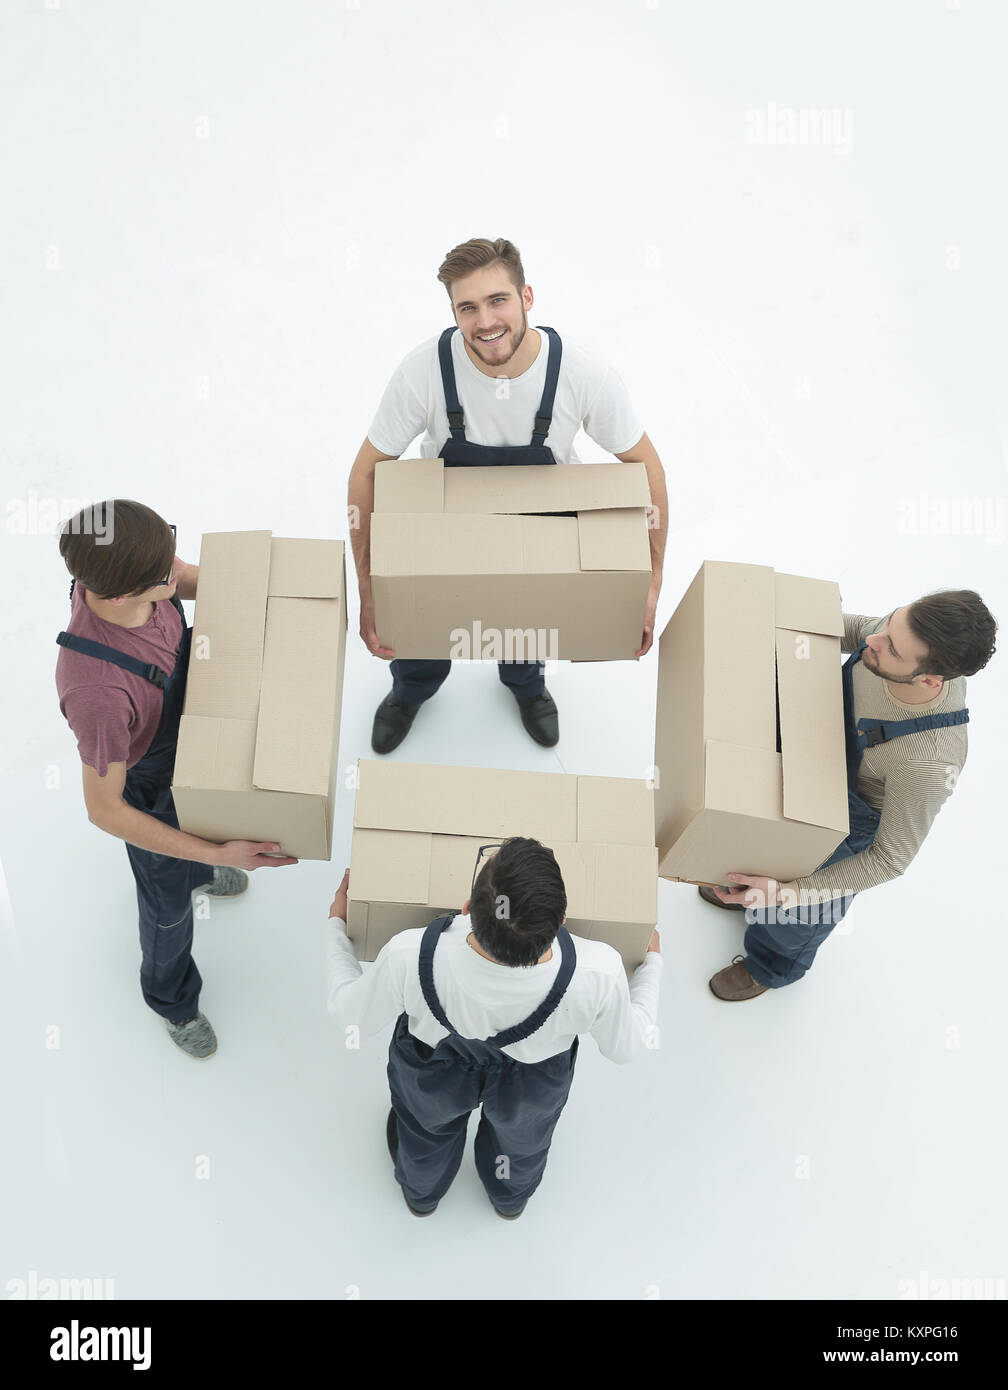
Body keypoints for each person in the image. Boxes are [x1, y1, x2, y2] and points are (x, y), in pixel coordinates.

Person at [346, 236, 669, 755]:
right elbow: (365, 474)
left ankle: (526, 685)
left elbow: (647, 469)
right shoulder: (422, 372)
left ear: (527, 297)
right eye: (467, 307)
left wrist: (650, 585)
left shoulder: (582, 373)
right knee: (421, 621)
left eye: (498, 300)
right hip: (446, 521)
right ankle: (411, 689)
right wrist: (369, 589)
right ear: (453, 312)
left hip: (542, 526)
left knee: (527, 626)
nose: (485, 321)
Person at [54, 500, 298, 1057]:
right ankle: (171, 999)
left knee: (204, 831)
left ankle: (199, 867)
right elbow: (105, 809)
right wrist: (218, 854)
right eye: (165, 573)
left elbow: (186, 578)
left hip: (192, 741)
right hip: (149, 788)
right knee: (166, 910)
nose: (180, 572)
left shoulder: (125, 561)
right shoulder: (97, 694)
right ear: (117, 596)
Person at [325, 838, 663, 1217]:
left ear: (468, 909)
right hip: (533, 1082)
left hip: (433, 1069)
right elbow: (626, 1047)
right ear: (561, 921)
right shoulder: (598, 970)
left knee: (425, 1132)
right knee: (521, 1145)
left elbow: (350, 1015)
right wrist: (651, 966)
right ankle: (509, 1199)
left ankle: (422, 1194)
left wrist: (337, 929)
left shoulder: (410, 953)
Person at [700, 592, 997, 1000]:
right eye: (891, 621)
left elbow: (890, 860)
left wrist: (789, 893)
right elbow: (856, 629)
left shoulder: (927, 765)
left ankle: (770, 967)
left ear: (930, 680)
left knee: (797, 919)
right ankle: (752, 893)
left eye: (890, 647)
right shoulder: (897, 637)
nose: (875, 640)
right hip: (810, 762)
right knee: (762, 843)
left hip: (847, 830)